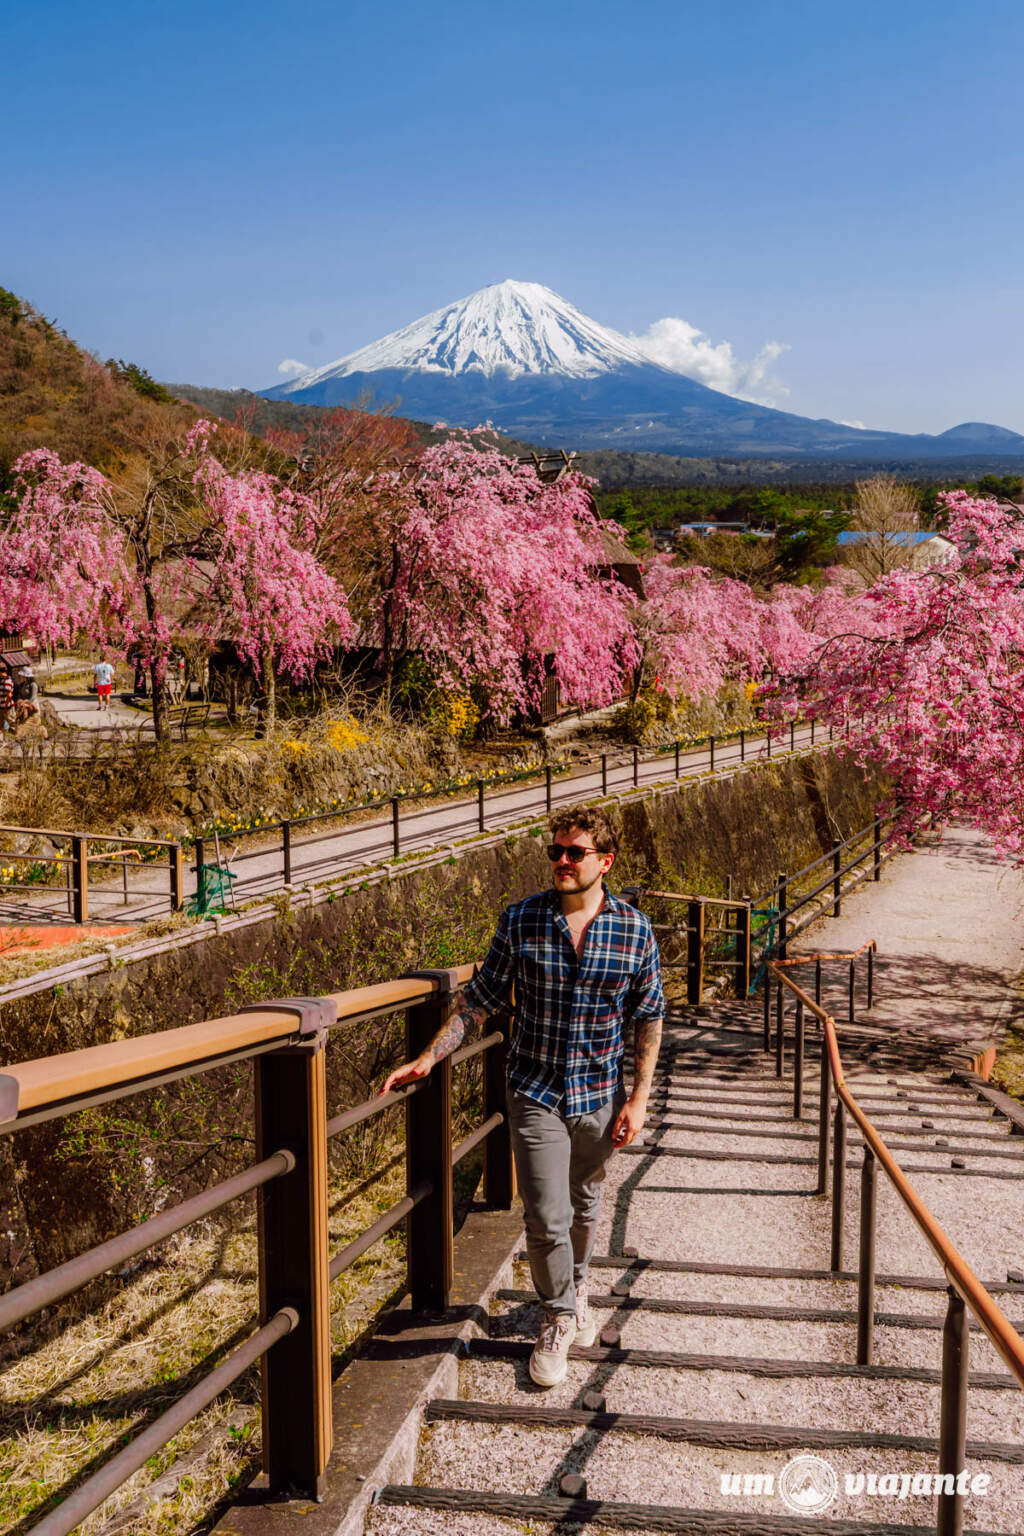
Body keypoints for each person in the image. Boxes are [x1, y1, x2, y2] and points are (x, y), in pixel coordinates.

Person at [381, 803, 664, 1387]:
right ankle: (558, 1316)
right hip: (535, 1090)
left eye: (575, 852)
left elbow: (648, 1017)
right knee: (545, 1213)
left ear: (605, 862)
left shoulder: (635, 930)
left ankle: (577, 1286)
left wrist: (638, 1100)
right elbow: (480, 1001)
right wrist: (429, 1056)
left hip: (600, 1092)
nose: (562, 861)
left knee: (584, 1199)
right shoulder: (522, 920)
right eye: (556, 851)